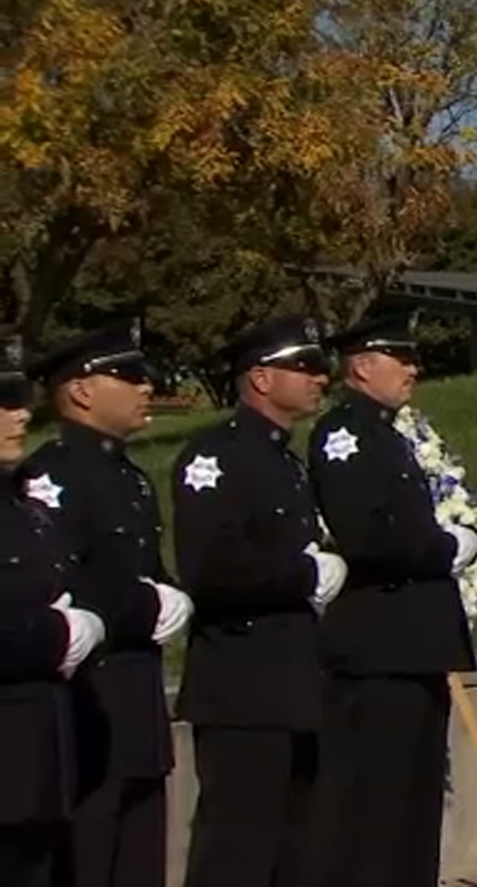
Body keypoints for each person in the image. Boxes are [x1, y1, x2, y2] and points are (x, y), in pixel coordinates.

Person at [170, 315, 348, 887]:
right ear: (262, 378)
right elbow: (210, 566)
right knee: (237, 850)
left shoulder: (284, 461)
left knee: (298, 850)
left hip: (293, 680)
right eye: (306, 367)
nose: (321, 378)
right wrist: (301, 574)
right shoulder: (217, 456)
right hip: (242, 685)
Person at [305, 311, 477, 887]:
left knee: (414, 807)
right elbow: (369, 534)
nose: (414, 368)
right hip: (379, 647)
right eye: (400, 358)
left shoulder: (385, 434)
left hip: (412, 646)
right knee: (376, 813)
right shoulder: (345, 433)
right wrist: (445, 548)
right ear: (361, 365)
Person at [18, 320, 193, 887]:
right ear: (82, 390)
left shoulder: (129, 476)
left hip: (135, 709)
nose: (148, 387)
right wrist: (141, 608)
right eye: (131, 375)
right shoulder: (53, 475)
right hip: (87, 711)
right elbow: (59, 591)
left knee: (140, 863)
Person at [0, 331, 108, 887]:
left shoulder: (20, 503)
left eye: (20, 399)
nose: (19, 413)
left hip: (36, 759)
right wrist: (56, 635)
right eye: (2, 402)